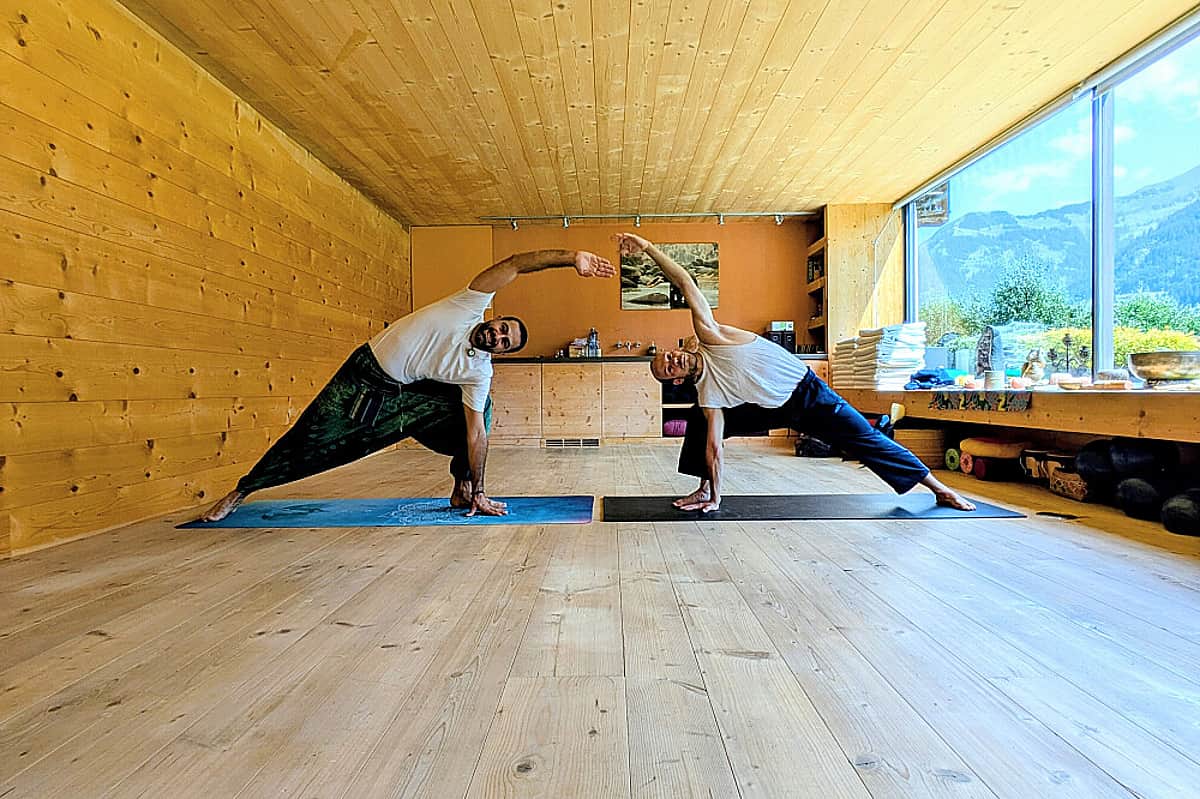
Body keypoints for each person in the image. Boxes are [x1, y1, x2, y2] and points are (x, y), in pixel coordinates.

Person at [197, 249, 616, 521]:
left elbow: (476, 435)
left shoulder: (478, 371)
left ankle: (463, 490)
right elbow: (515, 265)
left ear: (502, 354)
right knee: (312, 437)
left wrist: (483, 488)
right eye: (502, 328)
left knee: (479, 415)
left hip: (400, 398)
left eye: (505, 343)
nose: (498, 337)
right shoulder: (467, 304)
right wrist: (570, 258)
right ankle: (242, 491)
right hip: (361, 375)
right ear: (494, 318)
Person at [614, 232, 975, 513]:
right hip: (771, 408)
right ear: (675, 380)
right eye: (667, 368)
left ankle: (940, 489)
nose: (672, 360)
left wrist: (646, 246)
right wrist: (719, 496)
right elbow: (714, 447)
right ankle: (705, 489)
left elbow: (686, 283)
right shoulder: (709, 395)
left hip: (806, 393)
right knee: (700, 423)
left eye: (670, 355)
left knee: (863, 437)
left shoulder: (711, 335)